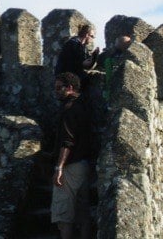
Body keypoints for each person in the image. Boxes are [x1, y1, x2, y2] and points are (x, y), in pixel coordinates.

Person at [51, 71, 94, 239]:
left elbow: (67, 141)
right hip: (84, 165)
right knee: (83, 215)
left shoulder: (68, 110)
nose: (55, 92)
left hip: (69, 167)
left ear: (69, 88)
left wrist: (59, 168)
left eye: (58, 88)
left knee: (64, 218)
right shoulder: (84, 104)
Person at [99, 35, 133, 101]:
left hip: (112, 88)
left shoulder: (112, 59)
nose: (115, 45)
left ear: (122, 44)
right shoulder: (120, 56)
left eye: (116, 43)